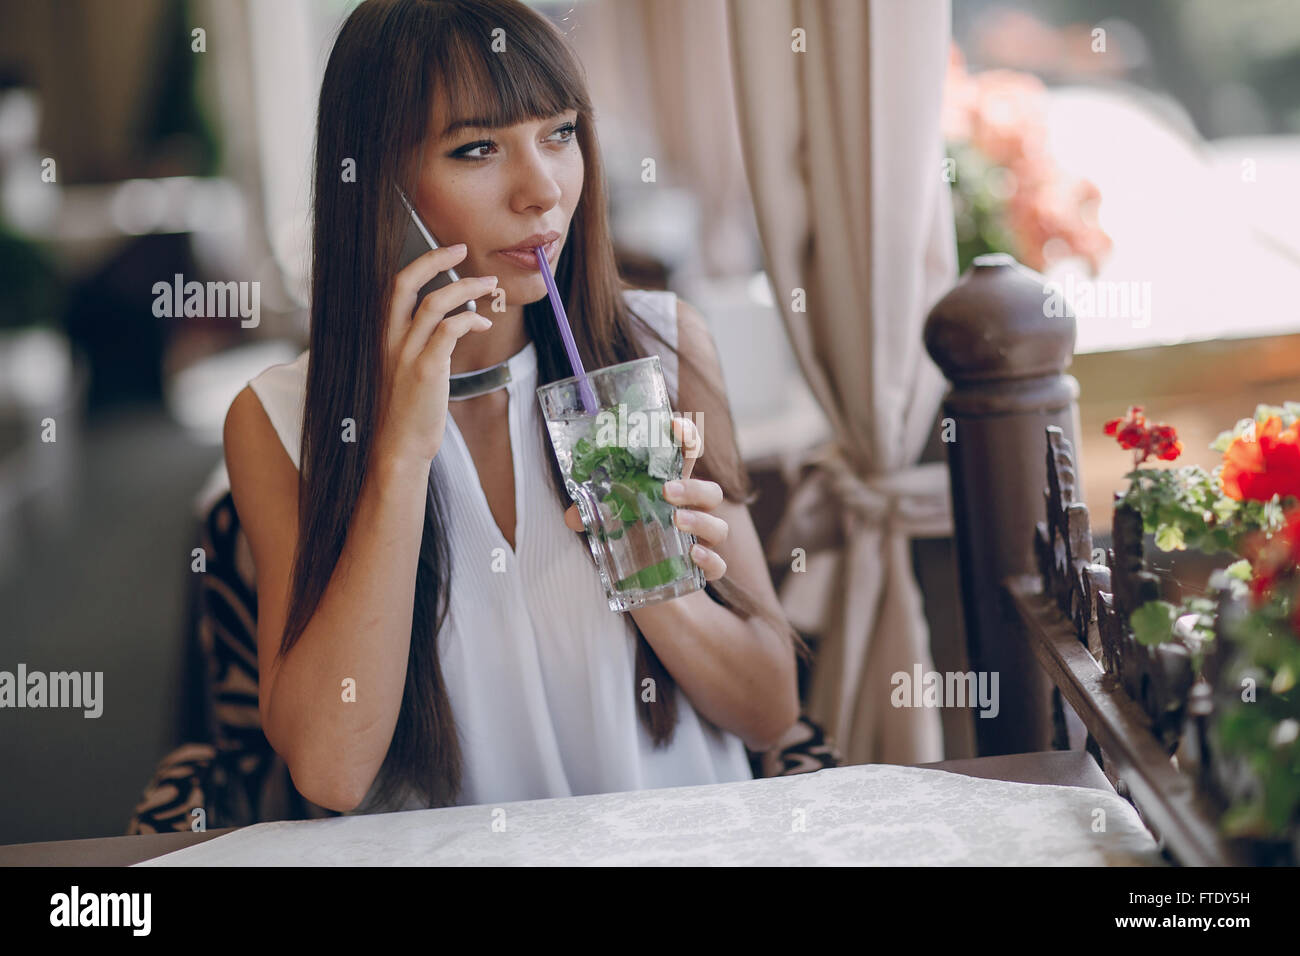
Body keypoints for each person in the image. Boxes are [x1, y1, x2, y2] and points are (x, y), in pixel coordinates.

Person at [223, 0, 804, 815]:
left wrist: (657, 576)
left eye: (560, 133)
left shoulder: (660, 349)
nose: (544, 192)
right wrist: (399, 458)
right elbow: (330, 770)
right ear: (377, 187)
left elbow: (771, 710)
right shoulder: (279, 420)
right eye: (477, 149)